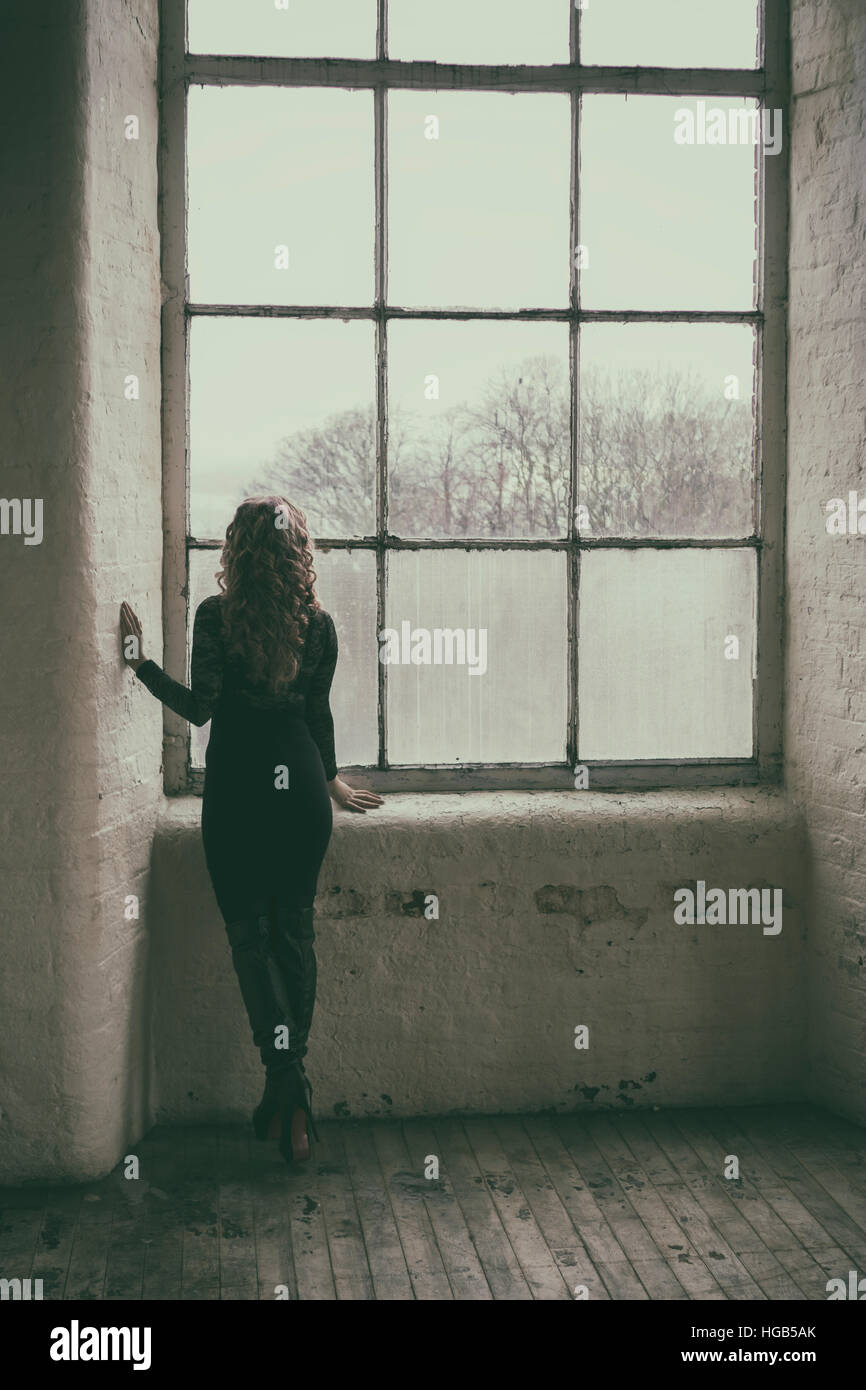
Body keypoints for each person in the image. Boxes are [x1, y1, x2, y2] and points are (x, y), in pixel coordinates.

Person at [120, 495, 383, 1165]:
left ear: (236, 551)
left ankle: (284, 1084)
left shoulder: (217, 617)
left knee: (250, 939)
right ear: (299, 554)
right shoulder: (318, 625)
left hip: (238, 791)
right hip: (300, 793)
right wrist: (330, 784)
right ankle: (291, 1097)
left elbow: (201, 709)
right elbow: (317, 716)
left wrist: (139, 663)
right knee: (295, 933)